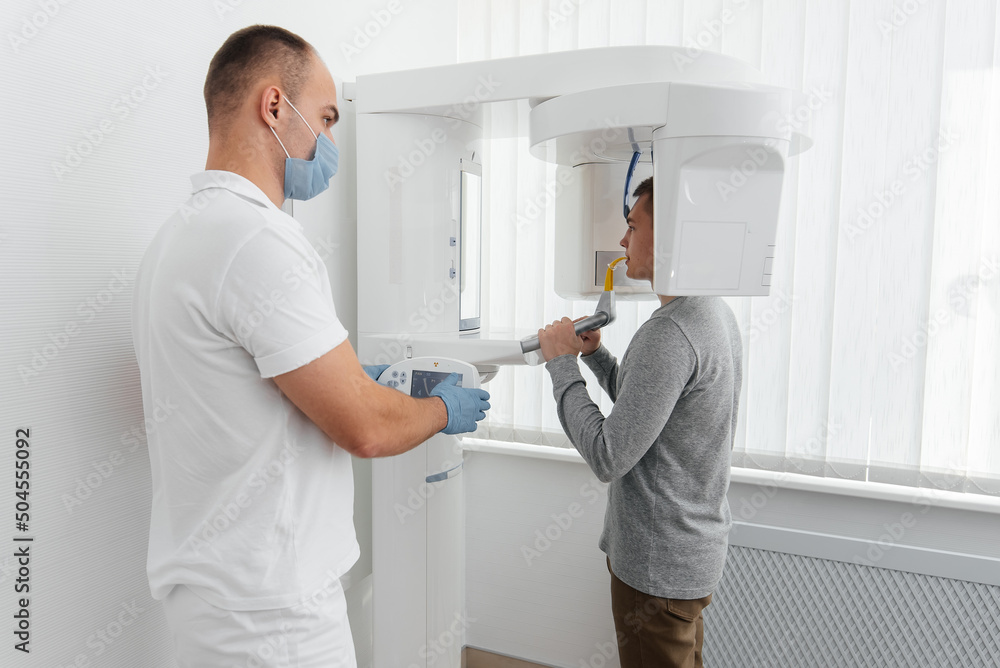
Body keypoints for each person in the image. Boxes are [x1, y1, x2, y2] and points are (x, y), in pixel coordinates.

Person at [130, 25, 490, 668]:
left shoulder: (177, 238)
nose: (329, 140)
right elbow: (366, 432)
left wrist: (355, 375)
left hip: (218, 599)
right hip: (274, 612)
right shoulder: (258, 239)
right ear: (274, 107)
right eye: (325, 118)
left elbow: (248, 388)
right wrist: (443, 411)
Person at [536, 177, 742, 668]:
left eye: (632, 226)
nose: (623, 241)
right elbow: (655, 417)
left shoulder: (668, 334)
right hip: (689, 556)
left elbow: (609, 454)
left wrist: (561, 364)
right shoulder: (712, 314)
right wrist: (597, 356)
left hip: (656, 569)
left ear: (670, 236)